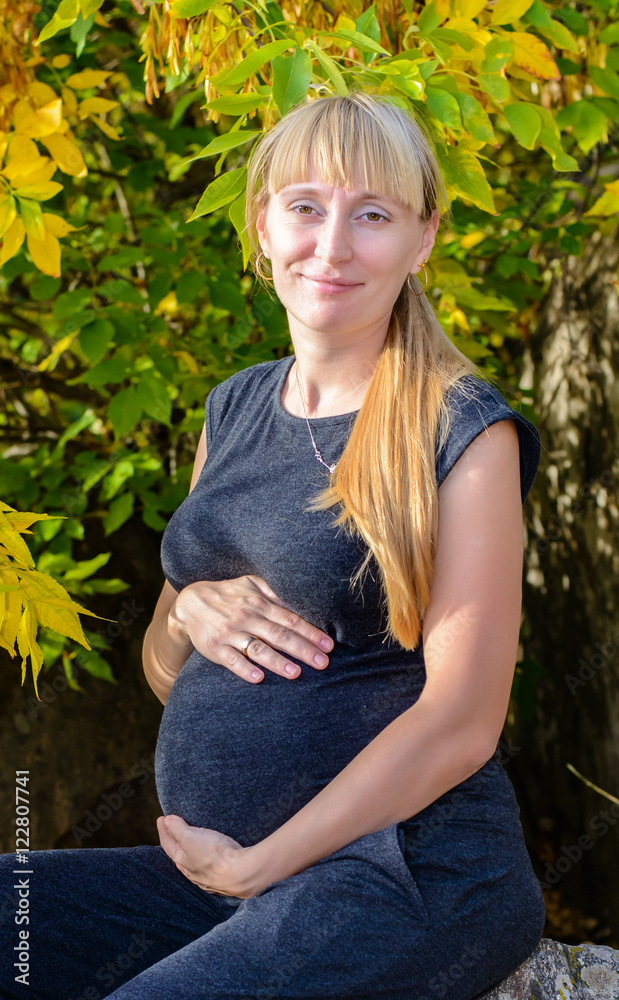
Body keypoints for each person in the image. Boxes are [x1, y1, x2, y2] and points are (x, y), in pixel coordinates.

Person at [0, 91, 545, 999]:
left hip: (401, 874)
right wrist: (189, 611)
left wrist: (258, 866)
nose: (332, 245)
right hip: (219, 880)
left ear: (423, 240)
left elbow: (460, 723)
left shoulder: (461, 430)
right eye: (305, 206)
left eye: (372, 215)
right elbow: (166, 668)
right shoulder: (236, 407)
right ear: (262, 225)